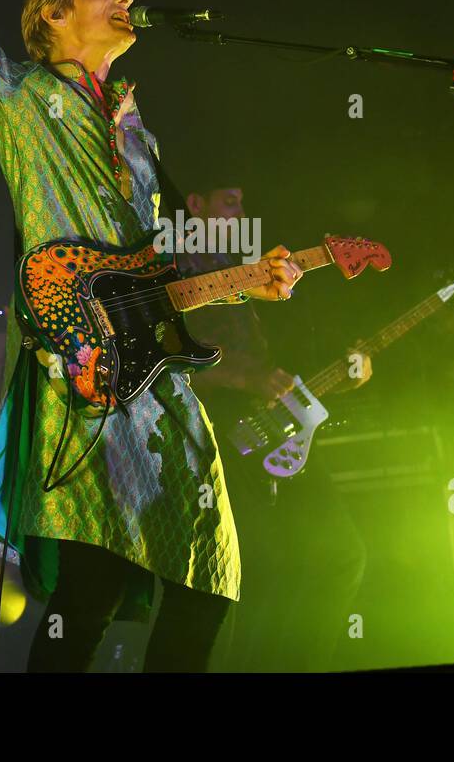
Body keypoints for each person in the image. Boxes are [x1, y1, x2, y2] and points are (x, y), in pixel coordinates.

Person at [0, 0, 304, 672]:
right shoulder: (16, 96)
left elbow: (151, 271)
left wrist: (242, 283)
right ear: (53, 15)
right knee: (86, 589)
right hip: (81, 370)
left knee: (209, 575)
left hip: (156, 368)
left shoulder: (136, 136)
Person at [177, 183, 371, 672]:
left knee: (341, 554)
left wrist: (342, 372)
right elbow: (163, 359)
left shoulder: (255, 267)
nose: (241, 212)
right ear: (195, 204)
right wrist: (243, 376)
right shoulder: (172, 268)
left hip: (275, 431)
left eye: (243, 203)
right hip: (212, 438)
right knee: (253, 574)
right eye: (228, 201)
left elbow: (284, 362)